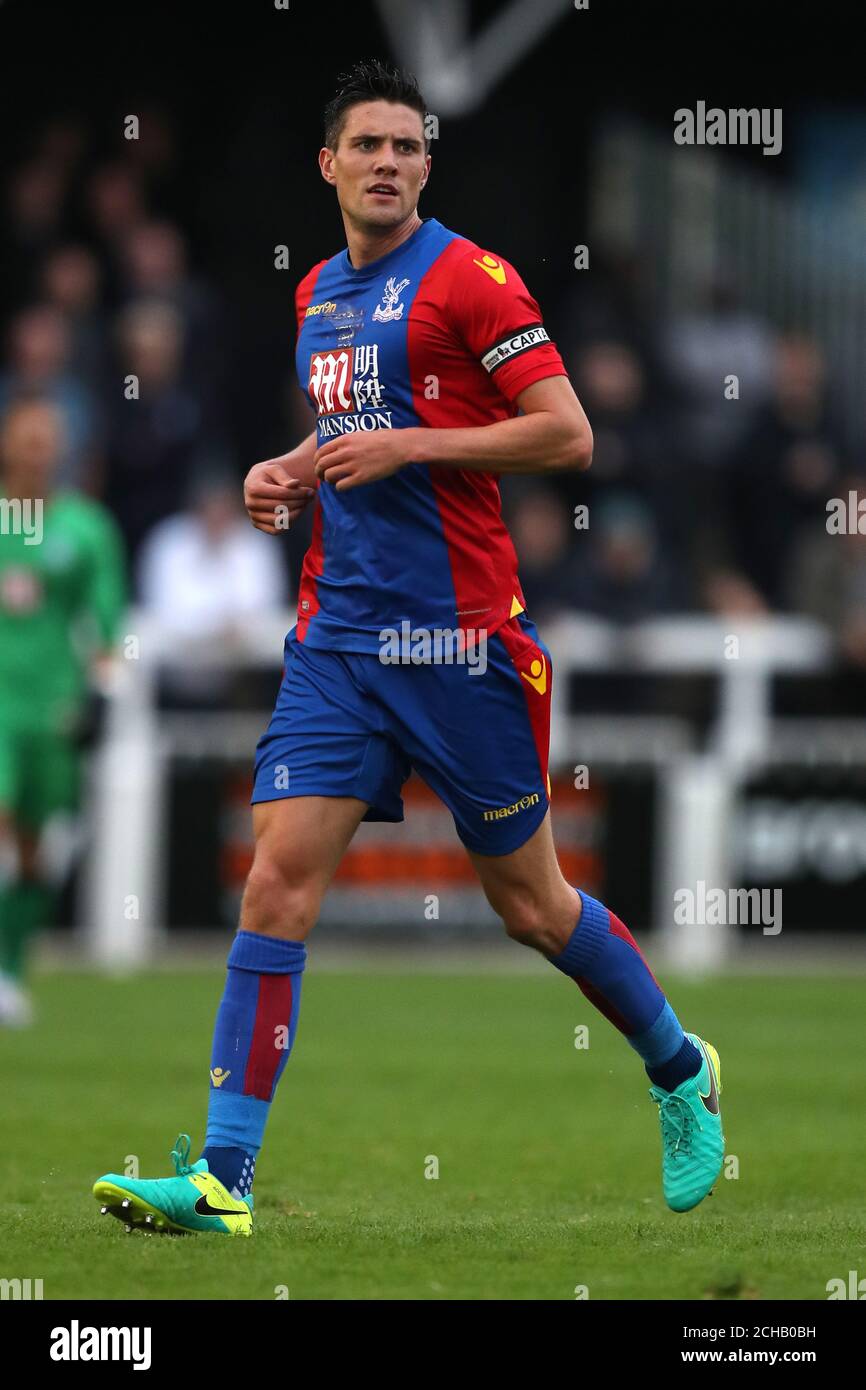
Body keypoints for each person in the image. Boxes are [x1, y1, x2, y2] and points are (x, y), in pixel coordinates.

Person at [93, 60, 724, 1235]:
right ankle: (225, 1180)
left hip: (461, 640)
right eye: (365, 144)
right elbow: (348, 428)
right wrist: (297, 464)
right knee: (276, 879)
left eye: (406, 145)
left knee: (531, 906)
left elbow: (567, 435)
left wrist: (410, 449)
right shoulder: (319, 293)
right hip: (337, 637)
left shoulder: (472, 279)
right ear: (326, 164)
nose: (387, 161)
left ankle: (679, 1067)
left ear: (426, 164)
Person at [0, 396, 125, 1024]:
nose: (37, 450)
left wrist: (104, 693)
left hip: (53, 704)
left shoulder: (85, 528)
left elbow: (105, 621)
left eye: (48, 439)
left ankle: (10, 965)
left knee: (38, 845)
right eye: (27, 437)